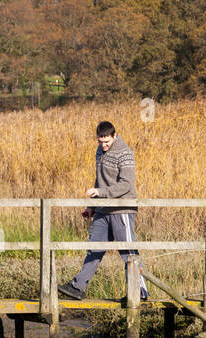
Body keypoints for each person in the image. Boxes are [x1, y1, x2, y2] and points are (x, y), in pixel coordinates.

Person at [59, 121, 149, 302]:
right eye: (100, 142)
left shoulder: (125, 154)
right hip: (102, 208)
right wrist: (92, 205)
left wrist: (101, 193)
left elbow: (126, 184)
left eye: (107, 142)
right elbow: (99, 179)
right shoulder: (99, 152)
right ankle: (78, 287)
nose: (104, 146)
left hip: (121, 208)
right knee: (94, 247)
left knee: (128, 251)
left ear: (114, 136)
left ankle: (140, 291)